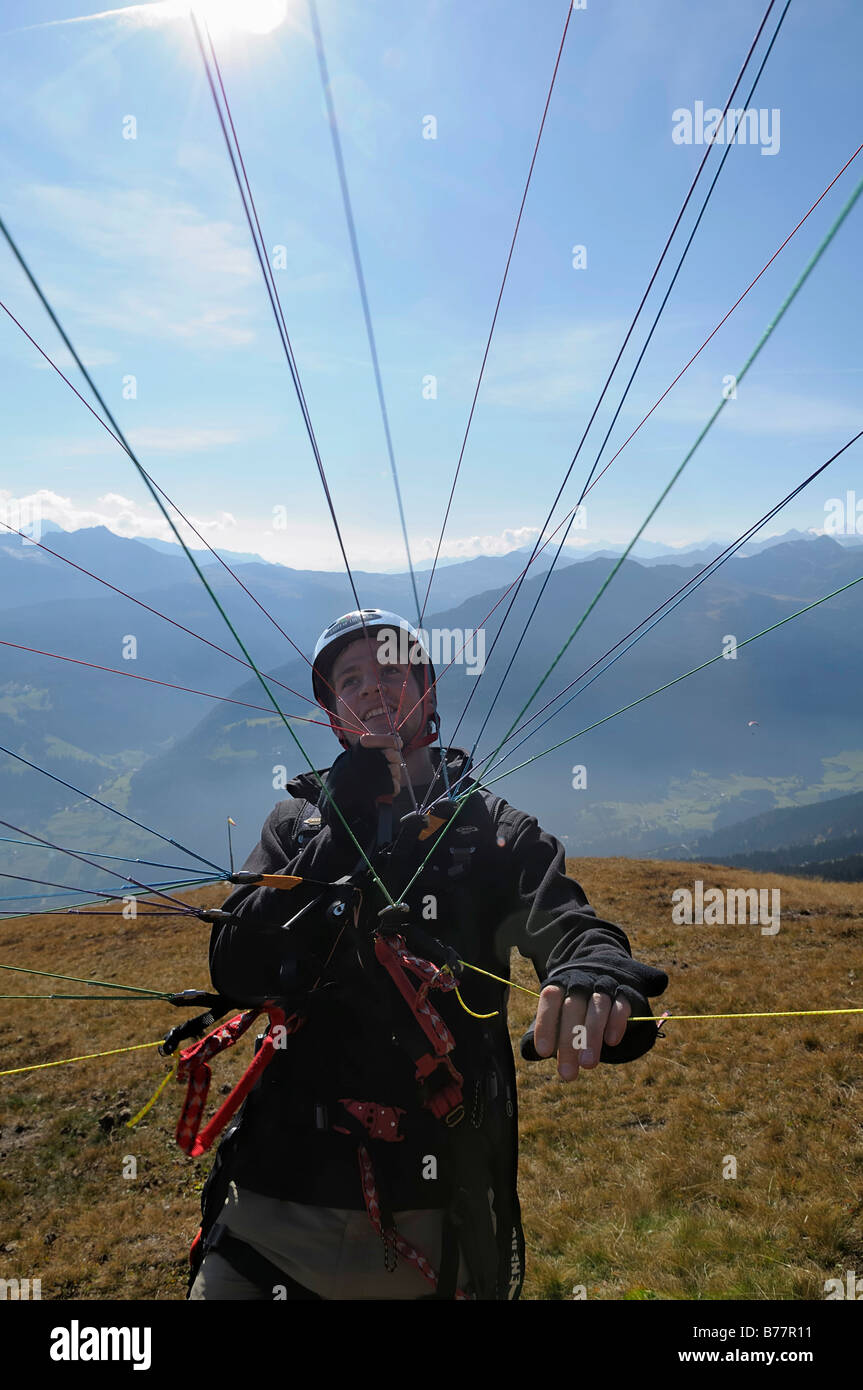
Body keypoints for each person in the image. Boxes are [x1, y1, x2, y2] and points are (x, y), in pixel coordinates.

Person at [188, 608, 668, 1301]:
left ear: (428, 691)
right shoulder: (295, 824)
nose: (373, 687)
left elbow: (566, 923)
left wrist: (594, 968)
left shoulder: (492, 832)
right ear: (333, 716)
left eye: (390, 670)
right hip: (272, 1208)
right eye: (350, 679)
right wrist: (340, 832)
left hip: (430, 1220)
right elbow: (234, 966)